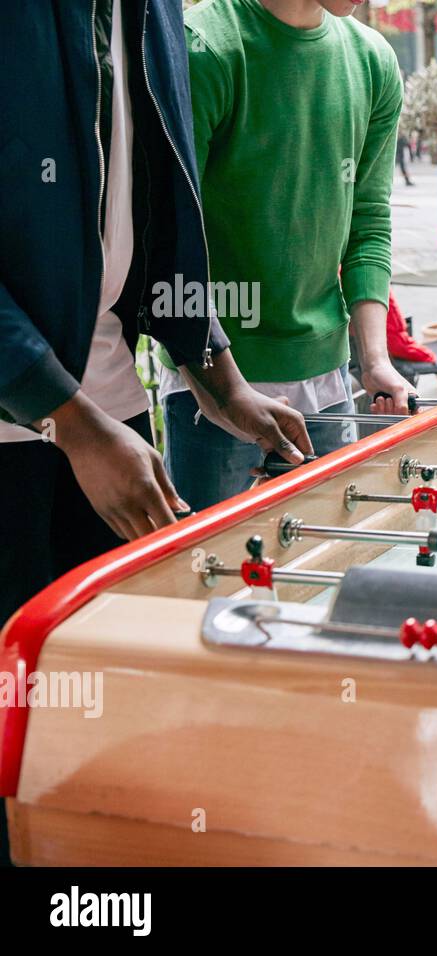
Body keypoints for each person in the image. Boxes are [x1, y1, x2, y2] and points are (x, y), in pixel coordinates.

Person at [0, 0, 312, 866]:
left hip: (113, 423)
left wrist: (218, 374)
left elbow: (164, 210)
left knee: (93, 734)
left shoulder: (158, 12)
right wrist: (64, 415)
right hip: (29, 436)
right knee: (13, 752)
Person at [161, 0, 412, 511]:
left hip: (330, 380)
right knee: (203, 578)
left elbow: (368, 220)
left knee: (321, 565)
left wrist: (374, 360)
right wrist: (221, 390)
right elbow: (167, 240)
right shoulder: (201, 47)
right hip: (213, 381)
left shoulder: (374, 62)